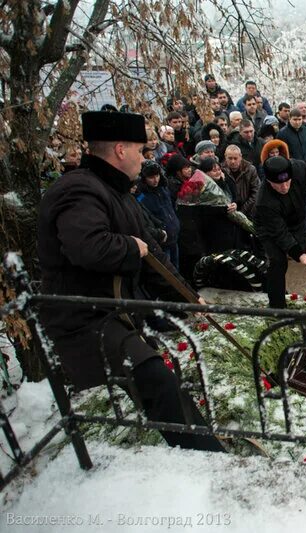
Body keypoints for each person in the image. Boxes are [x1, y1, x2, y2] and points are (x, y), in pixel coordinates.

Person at [37, 111, 224, 452]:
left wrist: (188, 297)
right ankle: (204, 457)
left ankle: (201, 448)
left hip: (112, 313)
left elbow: (153, 257)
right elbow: (88, 246)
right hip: (83, 318)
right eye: (140, 151)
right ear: (120, 150)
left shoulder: (117, 192)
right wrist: (129, 246)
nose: (145, 158)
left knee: (161, 382)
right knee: (156, 379)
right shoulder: (78, 190)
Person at [254, 156, 306, 308]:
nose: (285, 187)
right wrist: (299, 254)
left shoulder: (298, 167)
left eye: (288, 181)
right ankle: (277, 307)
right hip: (270, 229)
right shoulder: (264, 202)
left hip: (297, 221)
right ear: (268, 181)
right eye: (279, 184)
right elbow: (281, 234)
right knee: (278, 262)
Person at [137, 160, 180, 267]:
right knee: (168, 270)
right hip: (161, 241)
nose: (155, 180)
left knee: (176, 266)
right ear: (144, 178)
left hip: (174, 236)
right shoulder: (142, 196)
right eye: (151, 177)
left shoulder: (164, 188)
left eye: (157, 176)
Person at [222, 145, 260, 219]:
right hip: (229, 211)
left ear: (240, 157)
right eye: (230, 158)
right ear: (225, 157)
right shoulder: (221, 170)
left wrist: (242, 211)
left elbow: (256, 192)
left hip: (249, 212)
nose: (233, 161)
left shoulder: (250, 170)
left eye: (235, 158)